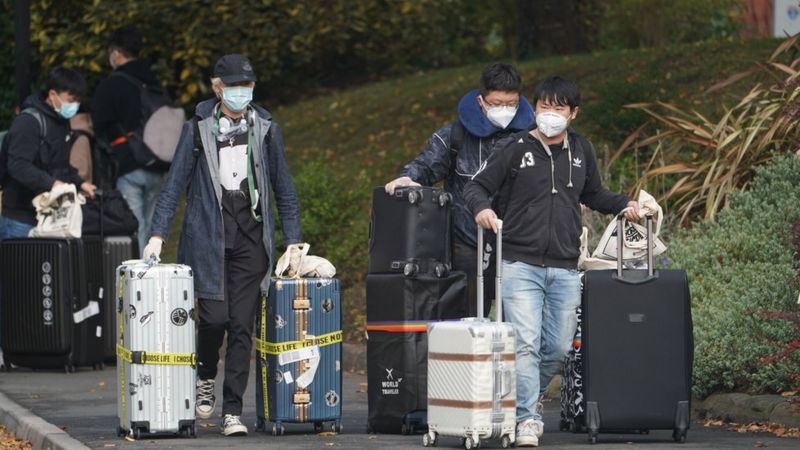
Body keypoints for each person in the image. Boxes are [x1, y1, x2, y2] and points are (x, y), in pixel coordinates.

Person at [463, 75, 640, 447]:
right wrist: (481, 209)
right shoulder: (516, 148)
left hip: (564, 265)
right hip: (518, 263)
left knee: (558, 347)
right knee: (525, 343)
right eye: (544, 106)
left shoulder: (582, 151)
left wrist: (625, 204)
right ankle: (527, 419)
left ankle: (517, 401)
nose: (549, 114)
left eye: (558, 108)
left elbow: (595, 194)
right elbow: (476, 186)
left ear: (573, 113)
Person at [143, 54, 301, 436]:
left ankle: (232, 410)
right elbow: (174, 184)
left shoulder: (266, 129)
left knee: (242, 325)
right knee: (214, 319)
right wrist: (157, 235)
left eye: (247, 86)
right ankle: (205, 375)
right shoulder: (197, 129)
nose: (241, 93)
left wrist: (294, 242)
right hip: (208, 238)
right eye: (233, 87)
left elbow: (284, 190)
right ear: (217, 88)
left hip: (251, 236)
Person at [384, 63, 534, 316]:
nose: (505, 110)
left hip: (518, 243)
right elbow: (425, 165)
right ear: (481, 100)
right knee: (467, 321)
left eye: (511, 104)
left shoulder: (532, 136)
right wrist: (408, 178)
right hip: (466, 241)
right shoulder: (456, 135)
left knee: (520, 323)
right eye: (497, 103)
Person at [92, 27, 166, 251]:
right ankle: (152, 275)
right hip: (159, 162)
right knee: (154, 227)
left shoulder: (113, 84)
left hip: (129, 163)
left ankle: (138, 279)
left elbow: (99, 123)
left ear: (115, 52)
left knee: (134, 226)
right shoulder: (153, 81)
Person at [0, 67, 96, 239]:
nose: (74, 106)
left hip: (49, 217)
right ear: (52, 95)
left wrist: (81, 183)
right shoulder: (28, 123)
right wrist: (52, 184)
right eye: (71, 100)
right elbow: (18, 166)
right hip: (20, 218)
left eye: (78, 101)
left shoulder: (61, 122)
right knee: (18, 265)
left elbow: (61, 165)